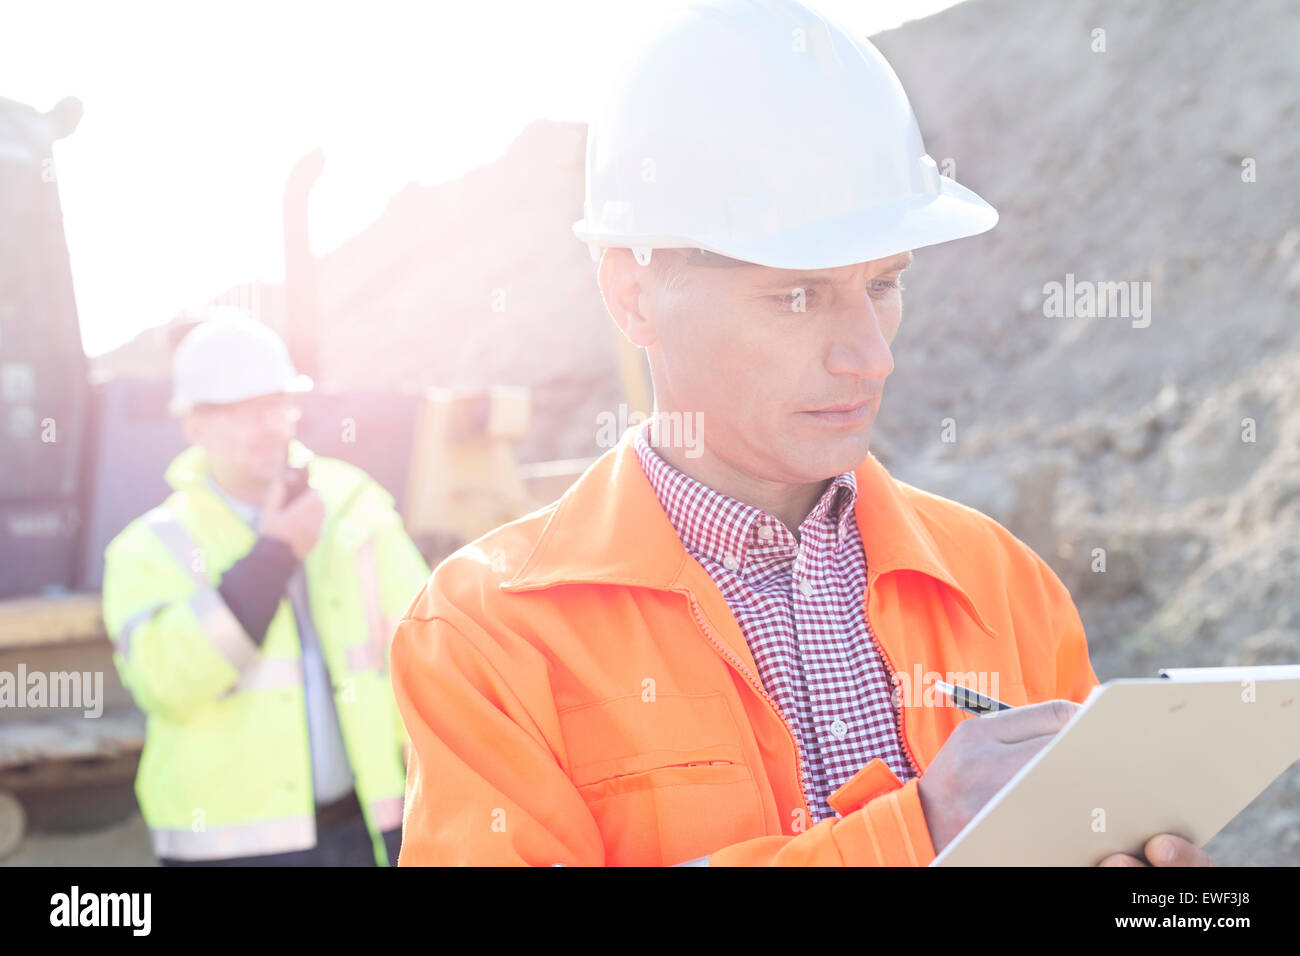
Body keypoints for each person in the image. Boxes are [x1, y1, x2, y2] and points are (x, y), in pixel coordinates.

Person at [390, 0, 1212, 867]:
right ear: (634, 295)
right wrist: (911, 835)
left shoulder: (1003, 585)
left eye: (885, 284)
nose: (870, 357)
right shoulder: (487, 633)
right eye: (797, 295)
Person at [102, 309, 429, 866]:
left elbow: (424, 649)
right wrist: (272, 557)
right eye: (239, 410)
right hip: (232, 850)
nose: (266, 425)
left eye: (276, 404)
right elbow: (167, 684)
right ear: (193, 425)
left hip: (366, 829)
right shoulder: (151, 547)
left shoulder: (354, 506)